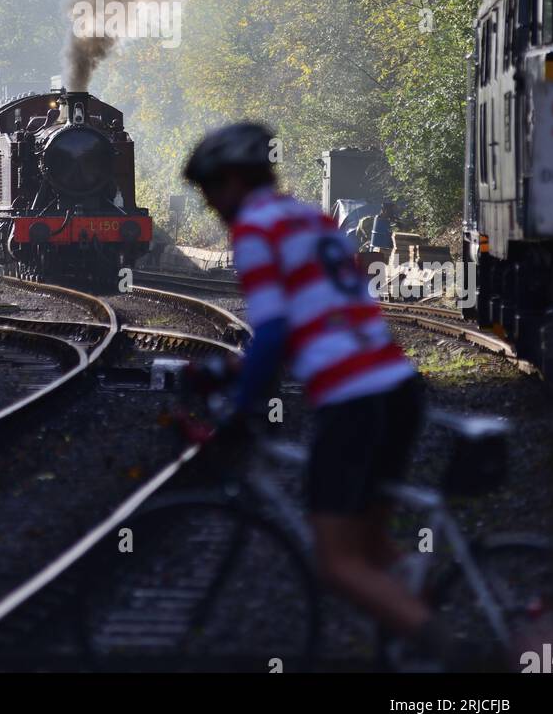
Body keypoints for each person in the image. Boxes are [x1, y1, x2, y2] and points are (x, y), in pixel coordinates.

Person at [183, 121, 449, 666]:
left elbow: (276, 330)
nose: (210, 204)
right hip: (396, 387)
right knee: (372, 545)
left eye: (210, 189)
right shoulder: (310, 217)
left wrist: (239, 408)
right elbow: (320, 319)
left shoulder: (256, 230)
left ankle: (462, 653)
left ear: (233, 181)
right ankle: (417, 637)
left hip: (353, 399)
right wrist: (236, 371)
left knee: (336, 563)